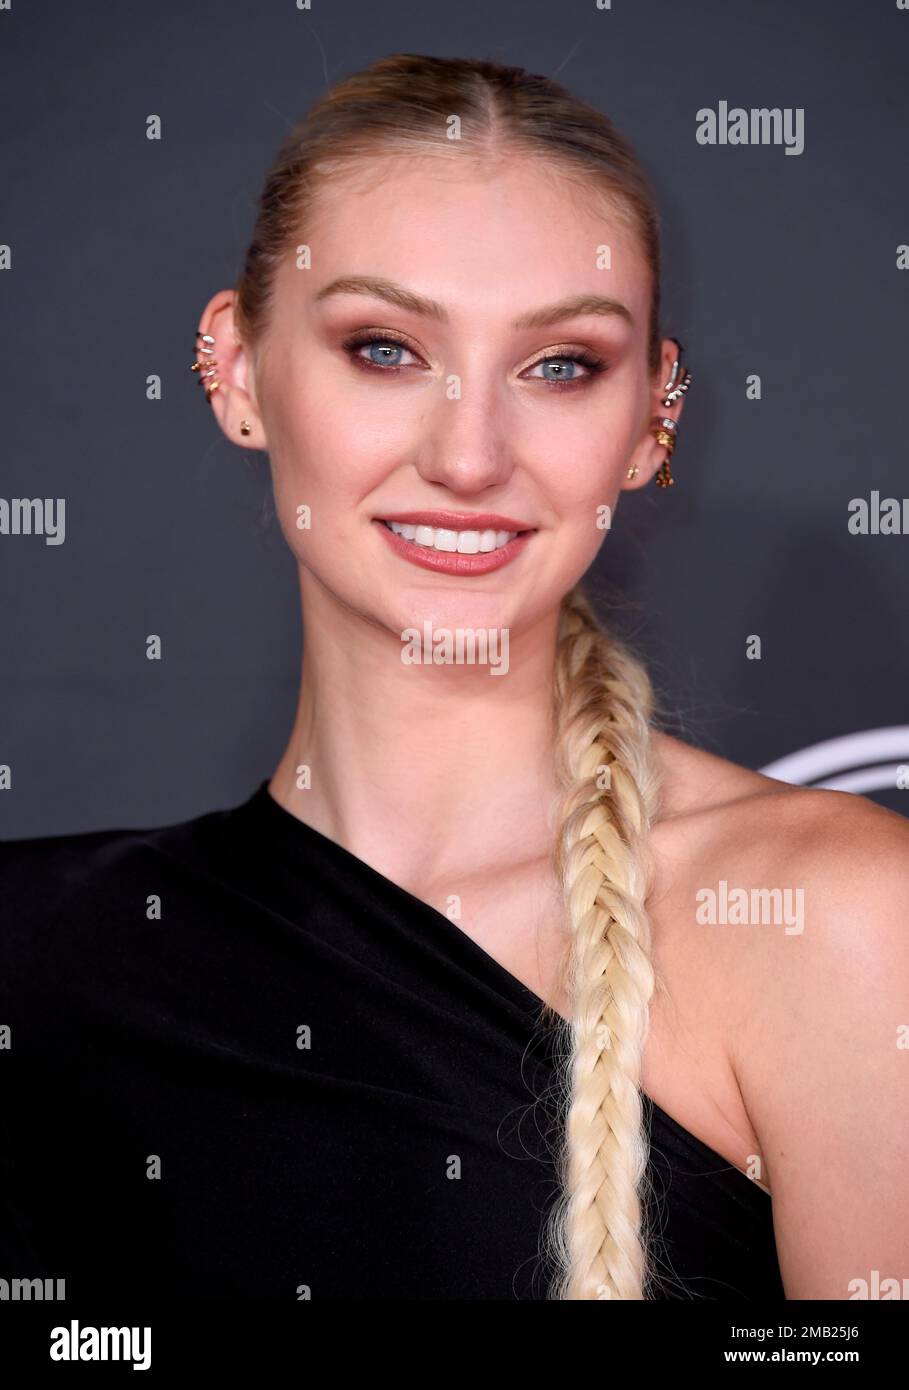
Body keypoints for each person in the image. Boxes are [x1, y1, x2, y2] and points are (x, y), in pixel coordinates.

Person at [2, 53, 907, 1304]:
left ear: (655, 415)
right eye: (383, 347)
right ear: (237, 367)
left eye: (559, 366)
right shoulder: (42, 949)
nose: (469, 454)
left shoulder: (841, 920)